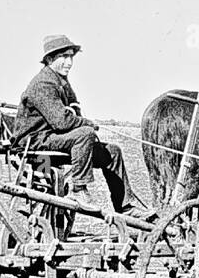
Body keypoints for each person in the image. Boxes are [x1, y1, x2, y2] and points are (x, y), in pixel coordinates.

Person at [12, 34, 148, 215]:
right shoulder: (43, 83)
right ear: (50, 59)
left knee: (113, 152)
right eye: (64, 57)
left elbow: (74, 110)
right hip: (36, 141)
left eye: (71, 57)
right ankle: (78, 189)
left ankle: (125, 206)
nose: (69, 62)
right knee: (85, 134)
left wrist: (79, 117)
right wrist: (87, 124)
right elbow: (62, 122)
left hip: (54, 138)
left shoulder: (61, 81)